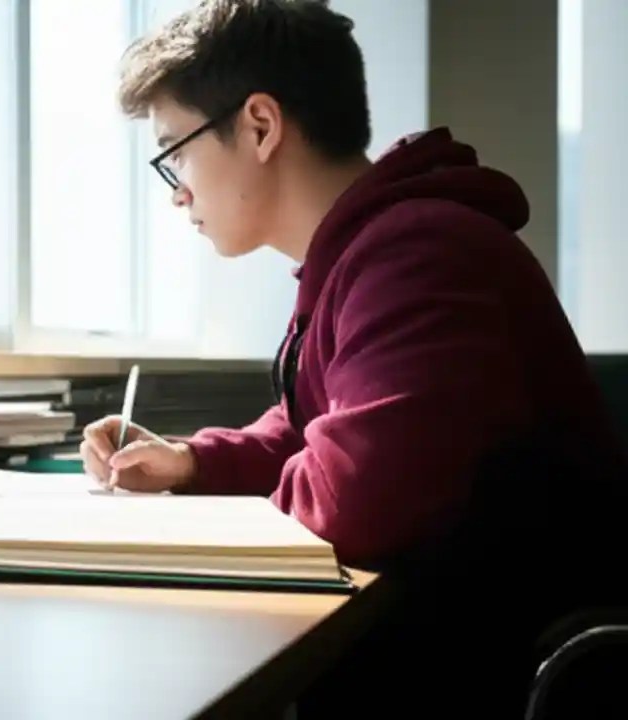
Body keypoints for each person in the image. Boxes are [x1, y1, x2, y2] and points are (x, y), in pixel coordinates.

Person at [80, 0, 628, 716]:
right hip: (444, 638)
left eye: (175, 152)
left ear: (260, 126)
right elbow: (321, 423)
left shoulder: (421, 253)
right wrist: (195, 463)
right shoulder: (364, 256)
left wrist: (212, 515)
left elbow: (362, 489)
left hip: (485, 667)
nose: (178, 192)